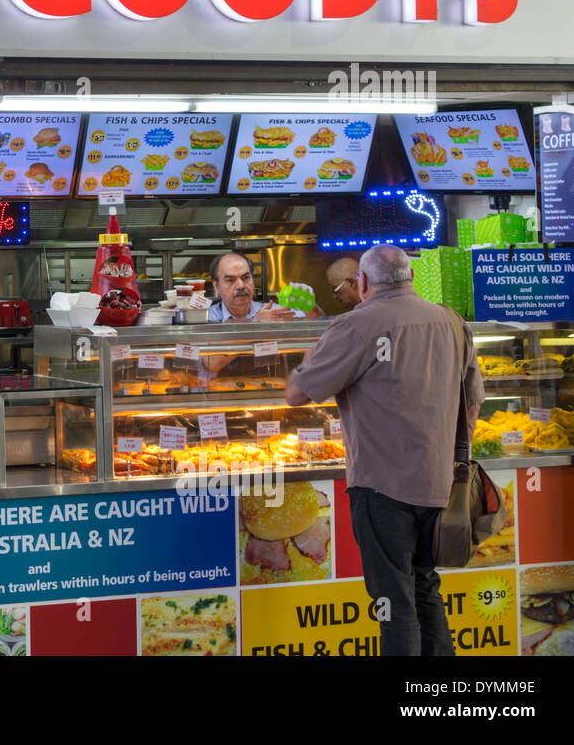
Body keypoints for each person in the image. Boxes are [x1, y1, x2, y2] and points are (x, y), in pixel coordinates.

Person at [283, 244, 482, 656]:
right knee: (425, 586)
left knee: (393, 602)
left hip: (382, 490)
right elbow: (474, 400)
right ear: (410, 277)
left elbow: (297, 393)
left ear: (363, 282)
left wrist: (310, 355)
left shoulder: (357, 325)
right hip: (441, 484)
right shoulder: (451, 320)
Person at [207, 252, 300, 322]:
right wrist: (256, 323)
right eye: (230, 280)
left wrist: (308, 303)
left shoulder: (270, 311)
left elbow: (310, 320)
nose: (241, 286)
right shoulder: (208, 316)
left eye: (246, 277)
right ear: (216, 287)